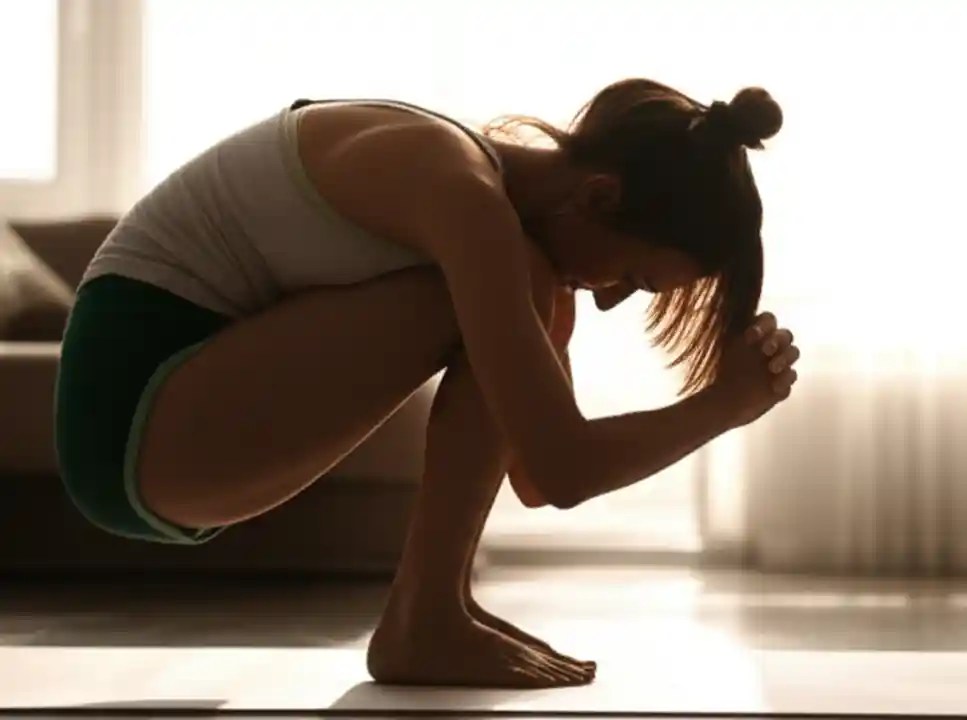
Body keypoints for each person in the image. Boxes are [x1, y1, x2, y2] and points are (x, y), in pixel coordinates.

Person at [53, 78, 800, 687]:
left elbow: (533, 480)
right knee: (518, 281)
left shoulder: (498, 220)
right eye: (633, 279)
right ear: (599, 197)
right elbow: (562, 469)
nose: (609, 299)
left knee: (531, 286)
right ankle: (426, 618)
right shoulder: (458, 192)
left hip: (174, 424)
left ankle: (435, 608)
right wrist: (723, 406)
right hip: (135, 422)